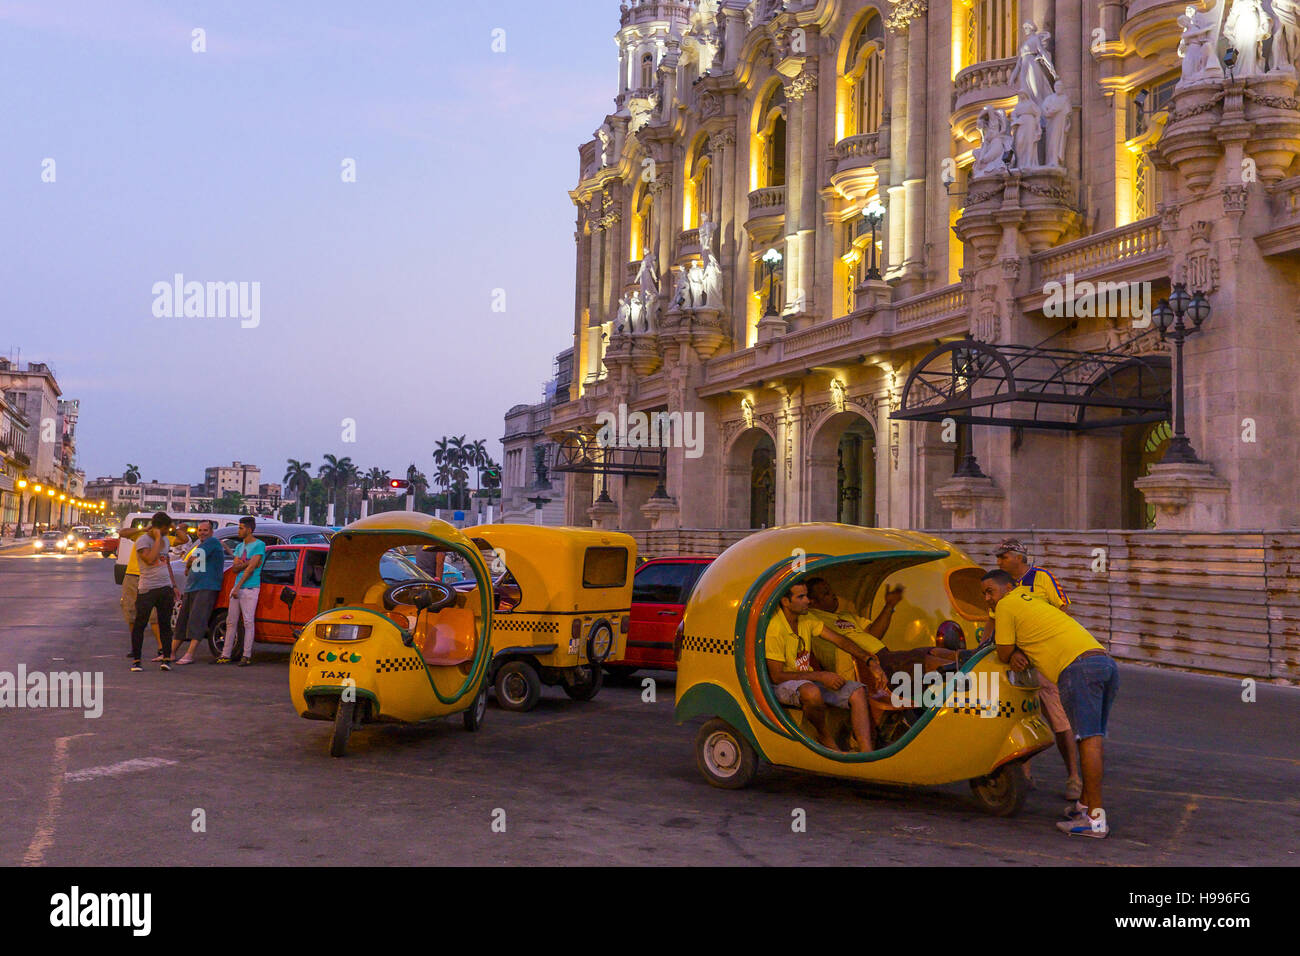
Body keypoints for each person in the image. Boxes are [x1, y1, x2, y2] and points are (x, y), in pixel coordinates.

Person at [981, 569, 1118, 839]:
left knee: (1088, 739)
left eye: (990, 592)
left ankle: (1096, 821)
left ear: (1008, 587)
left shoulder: (1007, 604)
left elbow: (1004, 650)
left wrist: (1016, 652)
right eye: (984, 594)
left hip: (1078, 669)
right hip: (1104, 662)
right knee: (1090, 738)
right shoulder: (1033, 600)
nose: (987, 598)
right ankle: (1085, 806)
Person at [993, 538, 1081, 801]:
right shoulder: (1000, 585)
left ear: (1019, 557)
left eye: (1003, 556)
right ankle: (1024, 773)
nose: (999, 561)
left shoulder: (1042, 578)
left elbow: (1063, 609)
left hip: (1042, 661)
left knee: (1058, 718)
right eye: (998, 558)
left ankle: (1074, 776)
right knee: (1016, 715)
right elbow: (993, 621)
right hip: (1015, 661)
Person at [765, 582, 873, 753]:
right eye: (801, 597)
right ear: (785, 602)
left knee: (857, 691)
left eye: (807, 595)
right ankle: (823, 736)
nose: (808, 601)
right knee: (811, 691)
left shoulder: (806, 618)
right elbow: (776, 676)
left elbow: (839, 640)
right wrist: (821, 676)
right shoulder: (775, 628)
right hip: (781, 685)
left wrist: (868, 659)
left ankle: (867, 753)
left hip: (808, 679)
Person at [129, 513, 178, 672]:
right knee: (140, 624)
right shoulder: (143, 540)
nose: (167, 532)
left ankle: (166, 658)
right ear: (158, 527)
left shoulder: (164, 540)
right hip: (148, 587)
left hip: (165, 587)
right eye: (165, 529)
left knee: (165, 624)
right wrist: (157, 539)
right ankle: (137, 660)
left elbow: (166, 562)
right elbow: (149, 559)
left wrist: (173, 584)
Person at [173, 520, 226, 665]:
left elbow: (193, 559)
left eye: (205, 530)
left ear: (211, 532)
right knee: (182, 622)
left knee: (198, 620)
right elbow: (194, 561)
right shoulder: (201, 545)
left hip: (206, 587)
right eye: (200, 530)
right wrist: (188, 566)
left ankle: (189, 654)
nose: (202, 533)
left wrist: (188, 565)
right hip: (192, 587)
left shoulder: (212, 542)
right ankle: (170, 653)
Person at [217, 517, 264, 666]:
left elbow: (251, 569)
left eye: (241, 528)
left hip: (250, 588)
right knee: (231, 621)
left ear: (249, 529)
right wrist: (248, 563)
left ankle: (246, 655)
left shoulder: (259, 545)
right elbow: (236, 568)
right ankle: (225, 654)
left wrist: (239, 583)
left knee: (248, 622)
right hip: (238, 586)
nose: (239, 530)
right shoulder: (240, 547)